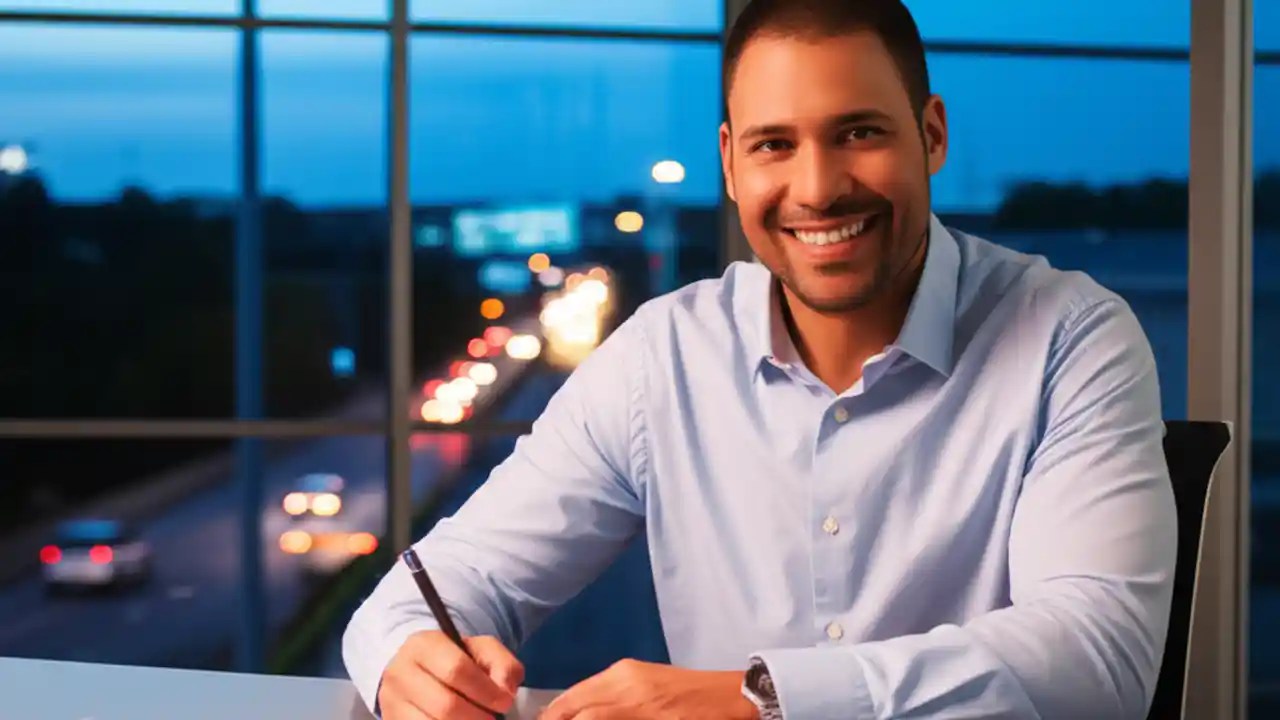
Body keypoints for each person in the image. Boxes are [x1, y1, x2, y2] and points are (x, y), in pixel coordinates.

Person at [343, 0, 1178, 717]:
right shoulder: (662, 355)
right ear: (731, 164)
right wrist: (410, 659)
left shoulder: (1072, 336)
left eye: (858, 132)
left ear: (930, 135)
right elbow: (432, 590)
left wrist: (760, 700)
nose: (817, 188)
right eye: (775, 145)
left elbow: (1099, 661)